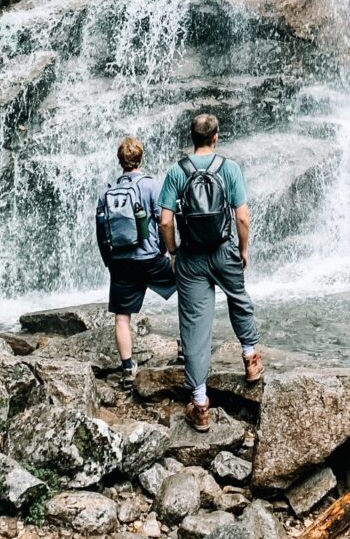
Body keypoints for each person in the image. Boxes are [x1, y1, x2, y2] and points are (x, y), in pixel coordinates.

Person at [159, 112, 262, 430]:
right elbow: (242, 217)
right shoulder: (229, 169)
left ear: (193, 137)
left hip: (191, 257)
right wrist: (242, 250)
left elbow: (165, 220)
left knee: (194, 324)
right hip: (223, 250)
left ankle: (201, 404)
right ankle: (250, 358)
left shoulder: (177, 172)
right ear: (216, 137)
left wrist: (174, 251)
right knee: (238, 298)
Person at [96, 135, 177, 385]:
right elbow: (163, 222)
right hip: (149, 257)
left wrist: (110, 262)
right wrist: (165, 251)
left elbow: (101, 233)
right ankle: (187, 347)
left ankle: (127, 370)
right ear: (140, 158)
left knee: (122, 316)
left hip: (121, 262)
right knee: (189, 286)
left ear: (120, 161)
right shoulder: (151, 186)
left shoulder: (107, 191)